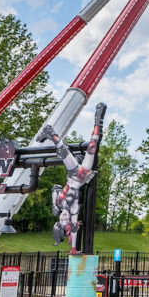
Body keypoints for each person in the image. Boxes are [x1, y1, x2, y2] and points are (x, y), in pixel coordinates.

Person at [40, 103, 105, 254]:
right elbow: (74, 228)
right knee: (91, 146)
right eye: (65, 222)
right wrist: (73, 248)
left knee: (66, 150)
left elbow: (55, 188)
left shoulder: (62, 205)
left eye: (63, 222)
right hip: (81, 176)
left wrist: (55, 203)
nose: (64, 219)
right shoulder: (71, 211)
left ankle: (50, 133)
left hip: (75, 175)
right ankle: (98, 118)